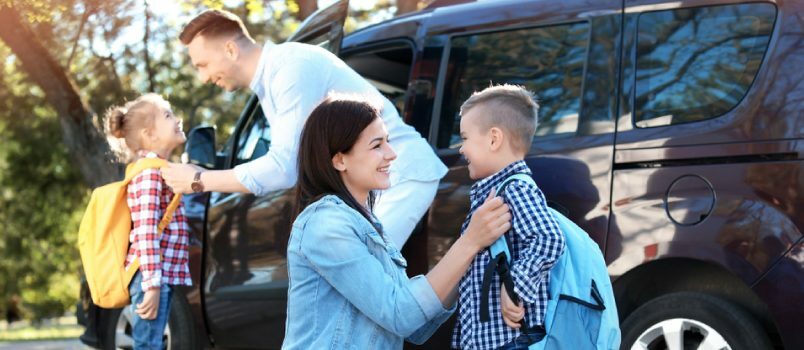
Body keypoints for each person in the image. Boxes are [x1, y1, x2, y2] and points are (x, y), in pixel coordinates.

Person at [161, 9, 447, 249]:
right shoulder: (272, 80)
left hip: (400, 176)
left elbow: (284, 167)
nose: (203, 77)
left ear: (230, 49)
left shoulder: (291, 69)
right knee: (354, 291)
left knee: (361, 286)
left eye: (203, 64)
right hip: (374, 186)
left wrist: (200, 179)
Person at [283, 97, 511, 349]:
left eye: (388, 141)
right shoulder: (325, 224)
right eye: (377, 145)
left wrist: (476, 250)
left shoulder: (366, 223)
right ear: (339, 160)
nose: (391, 154)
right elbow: (400, 315)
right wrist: (469, 242)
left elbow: (417, 325)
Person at [453, 85, 566, 349]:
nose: (461, 149)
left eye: (466, 138)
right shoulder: (493, 191)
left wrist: (515, 287)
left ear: (494, 139)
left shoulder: (516, 188)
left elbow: (549, 238)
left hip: (510, 341)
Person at [105, 94, 192, 349]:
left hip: (154, 275)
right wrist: (152, 284)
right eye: (168, 115)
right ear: (149, 134)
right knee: (148, 344)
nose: (177, 119)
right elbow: (145, 231)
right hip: (150, 276)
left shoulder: (157, 169)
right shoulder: (150, 173)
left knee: (149, 343)